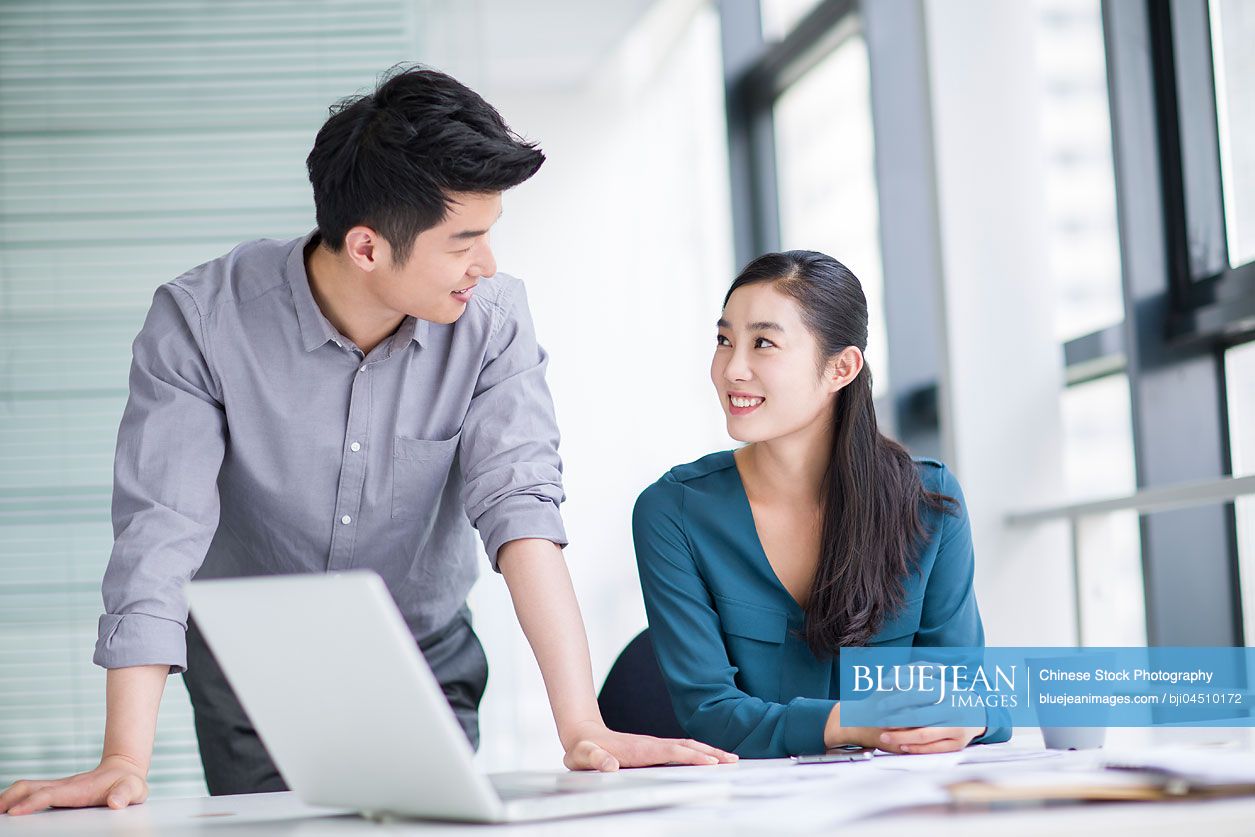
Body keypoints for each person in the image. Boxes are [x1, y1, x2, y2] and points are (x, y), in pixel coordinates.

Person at [0, 65, 733, 817]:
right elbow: (160, 531)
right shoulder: (202, 322)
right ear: (366, 247)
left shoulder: (492, 319)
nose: (486, 265)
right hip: (253, 671)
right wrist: (123, 759)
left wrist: (581, 725)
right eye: (464, 242)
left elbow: (521, 510)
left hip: (425, 650)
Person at [633, 250, 1011, 758]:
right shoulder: (673, 512)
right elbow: (709, 713)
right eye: (724, 341)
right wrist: (854, 721)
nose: (732, 369)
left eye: (763, 343)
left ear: (841, 368)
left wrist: (969, 716)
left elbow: (966, 690)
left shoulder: (928, 501)